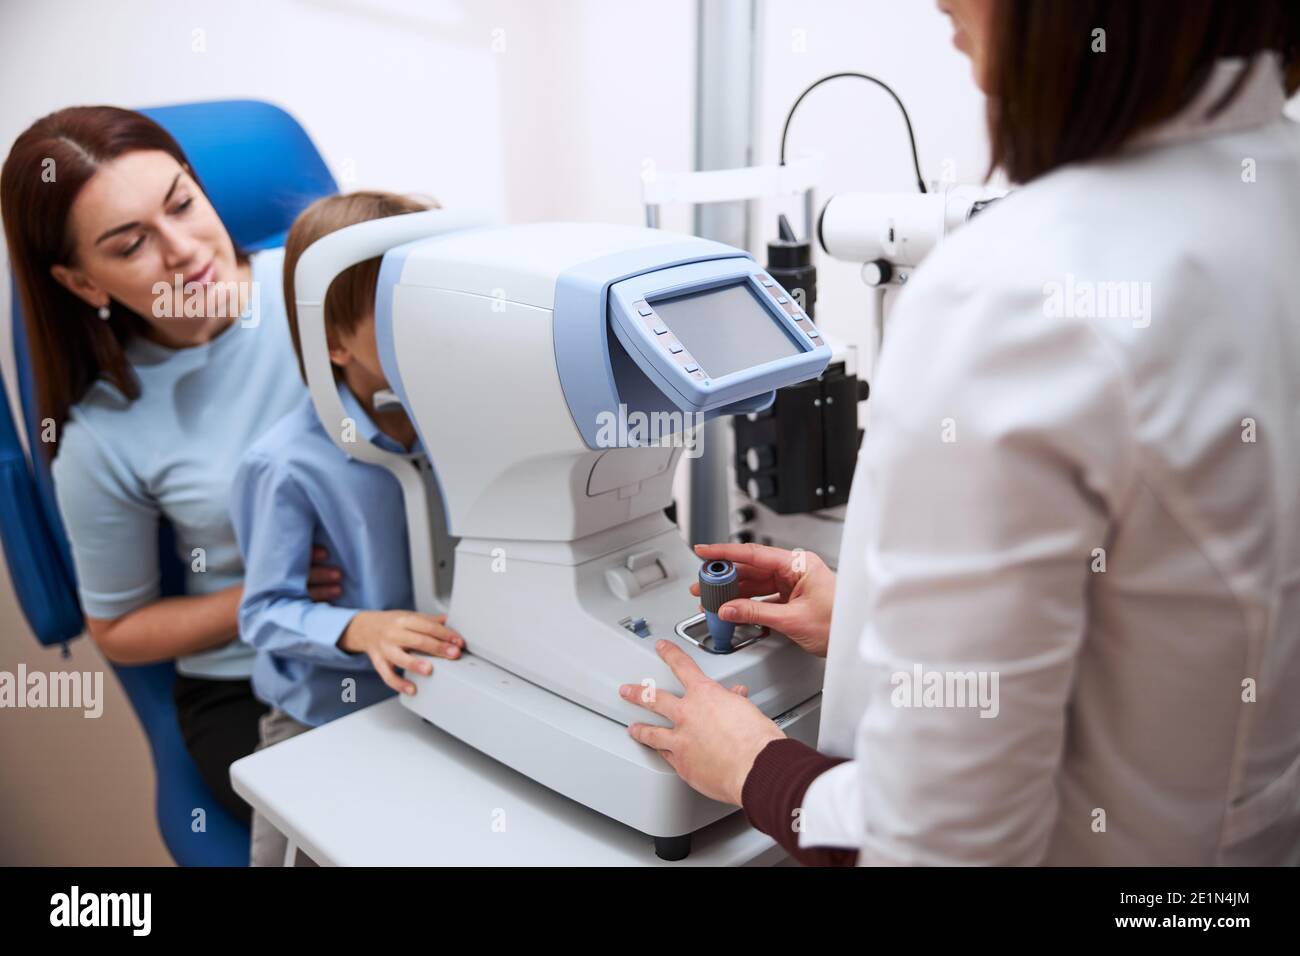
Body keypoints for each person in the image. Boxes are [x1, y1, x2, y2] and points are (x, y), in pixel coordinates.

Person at [619, 0, 1300, 865]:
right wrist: (871, 620)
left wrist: (756, 766)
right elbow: (1176, 613)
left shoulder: (1017, 290)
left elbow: (942, 847)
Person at [0, 107, 343, 824]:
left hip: (425, 621)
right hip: (255, 685)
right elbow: (119, 629)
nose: (185, 250)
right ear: (83, 283)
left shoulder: (332, 284)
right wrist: (268, 594)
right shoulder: (104, 432)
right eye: (131, 245)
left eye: (183, 204)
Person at [229, 192, 465, 866]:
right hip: (318, 719)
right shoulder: (285, 466)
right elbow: (265, 614)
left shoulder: (459, 423)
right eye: (396, 312)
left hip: (436, 703)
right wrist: (362, 629)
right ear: (334, 341)